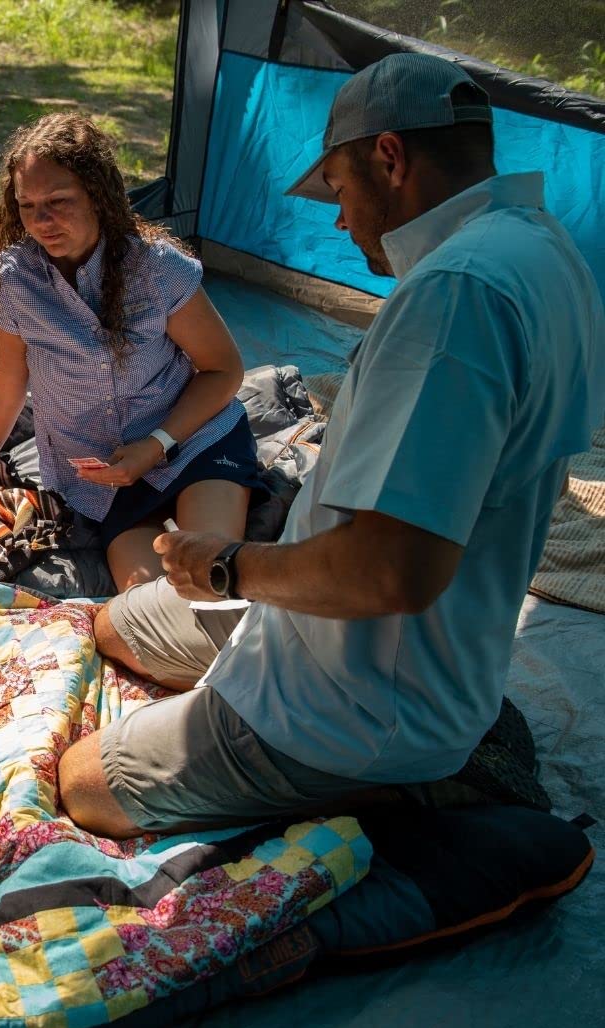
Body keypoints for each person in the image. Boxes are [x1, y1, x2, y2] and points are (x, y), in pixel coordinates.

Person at [57, 53, 605, 837]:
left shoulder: (457, 297)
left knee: (85, 783)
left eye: (341, 191)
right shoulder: (549, 251)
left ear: (390, 157)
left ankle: (381, 793)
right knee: (116, 627)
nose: (340, 220)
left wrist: (228, 564)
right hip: (337, 630)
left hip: (363, 703)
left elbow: (392, 572)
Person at [0, 112, 268, 591]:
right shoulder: (11, 282)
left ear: (98, 196)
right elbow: (5, 386)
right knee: (148, 606)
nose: (42, 221)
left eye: (59, 201)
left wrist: (155, 446)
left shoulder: (156, 268)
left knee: (209, 580)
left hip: (191, 444)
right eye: (28, 206)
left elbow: (223, 370)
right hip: (100, 484)